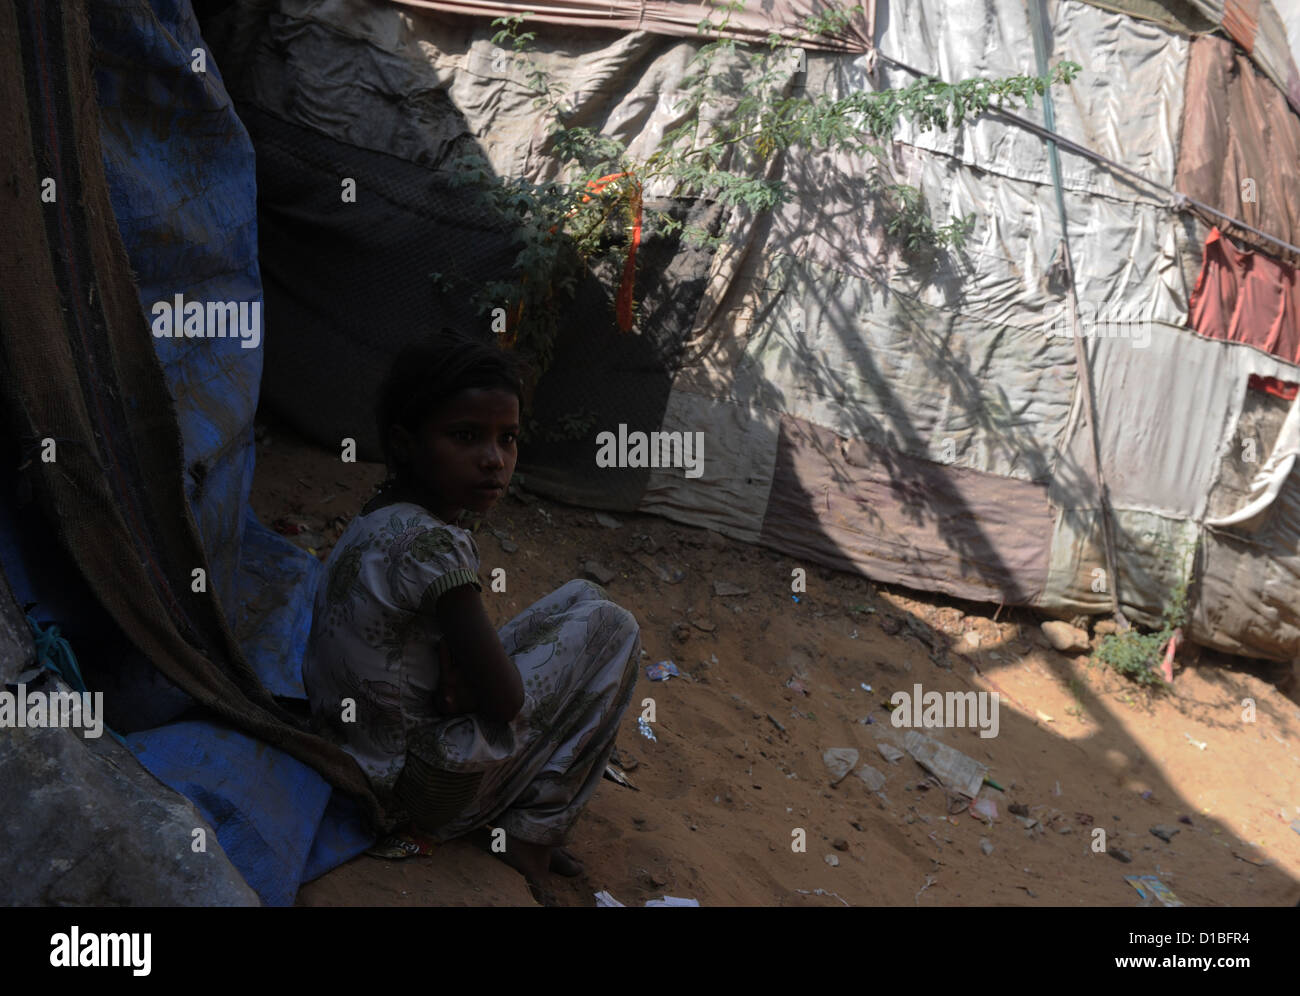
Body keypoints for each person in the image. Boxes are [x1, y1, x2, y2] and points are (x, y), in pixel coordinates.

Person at [301, 328, 641, 901]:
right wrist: (470, 690)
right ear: (406, 444)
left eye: (507, 439)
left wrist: (460, 684)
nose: (494, 460)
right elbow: (506, 701)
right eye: (466, 436)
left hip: (357, 752)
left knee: (584, 596)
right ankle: (531, 833)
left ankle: (521, 815)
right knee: (615, 627)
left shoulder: (383, 514)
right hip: (416, 790)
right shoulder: (436, 545)